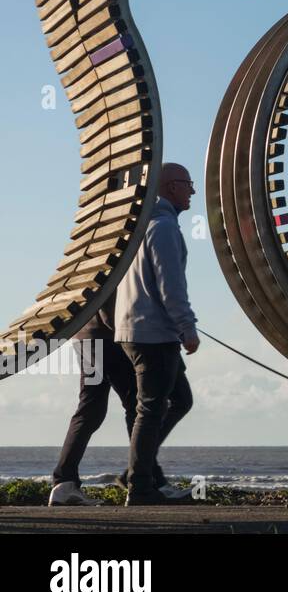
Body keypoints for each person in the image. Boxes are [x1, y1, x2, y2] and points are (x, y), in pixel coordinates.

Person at [46, 295, 194, 505]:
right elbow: (111, 303)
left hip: (85, 337)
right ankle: (148, 480)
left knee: (90, 409)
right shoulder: (119, 261)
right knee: (138, 408)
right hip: (111, 337)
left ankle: (64, 482)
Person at [115, 162, 200, 506]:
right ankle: (140, 487)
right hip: (153, 334)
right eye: (187, 184)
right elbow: (171, 286)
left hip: (133, 329)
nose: (193, 191)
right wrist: (187, 327)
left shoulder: (140, 225)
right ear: (169, 186)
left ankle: (137, 470)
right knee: (150, 410)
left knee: (179, 400)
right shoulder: (163, 227)